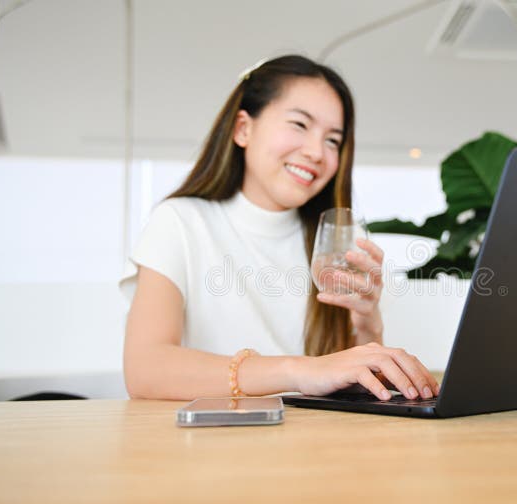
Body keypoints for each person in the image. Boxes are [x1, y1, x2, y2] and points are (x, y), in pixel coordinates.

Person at [120, 55, 440, 402]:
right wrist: (301, 371)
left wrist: (367, 325)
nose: (317, 152)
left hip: (318, 445)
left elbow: (358, 390)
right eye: (300, 125)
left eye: (333, 140)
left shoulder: (339, 243)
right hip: (214, 443)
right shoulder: (180, 222)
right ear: (243, 129)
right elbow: (145, 369)